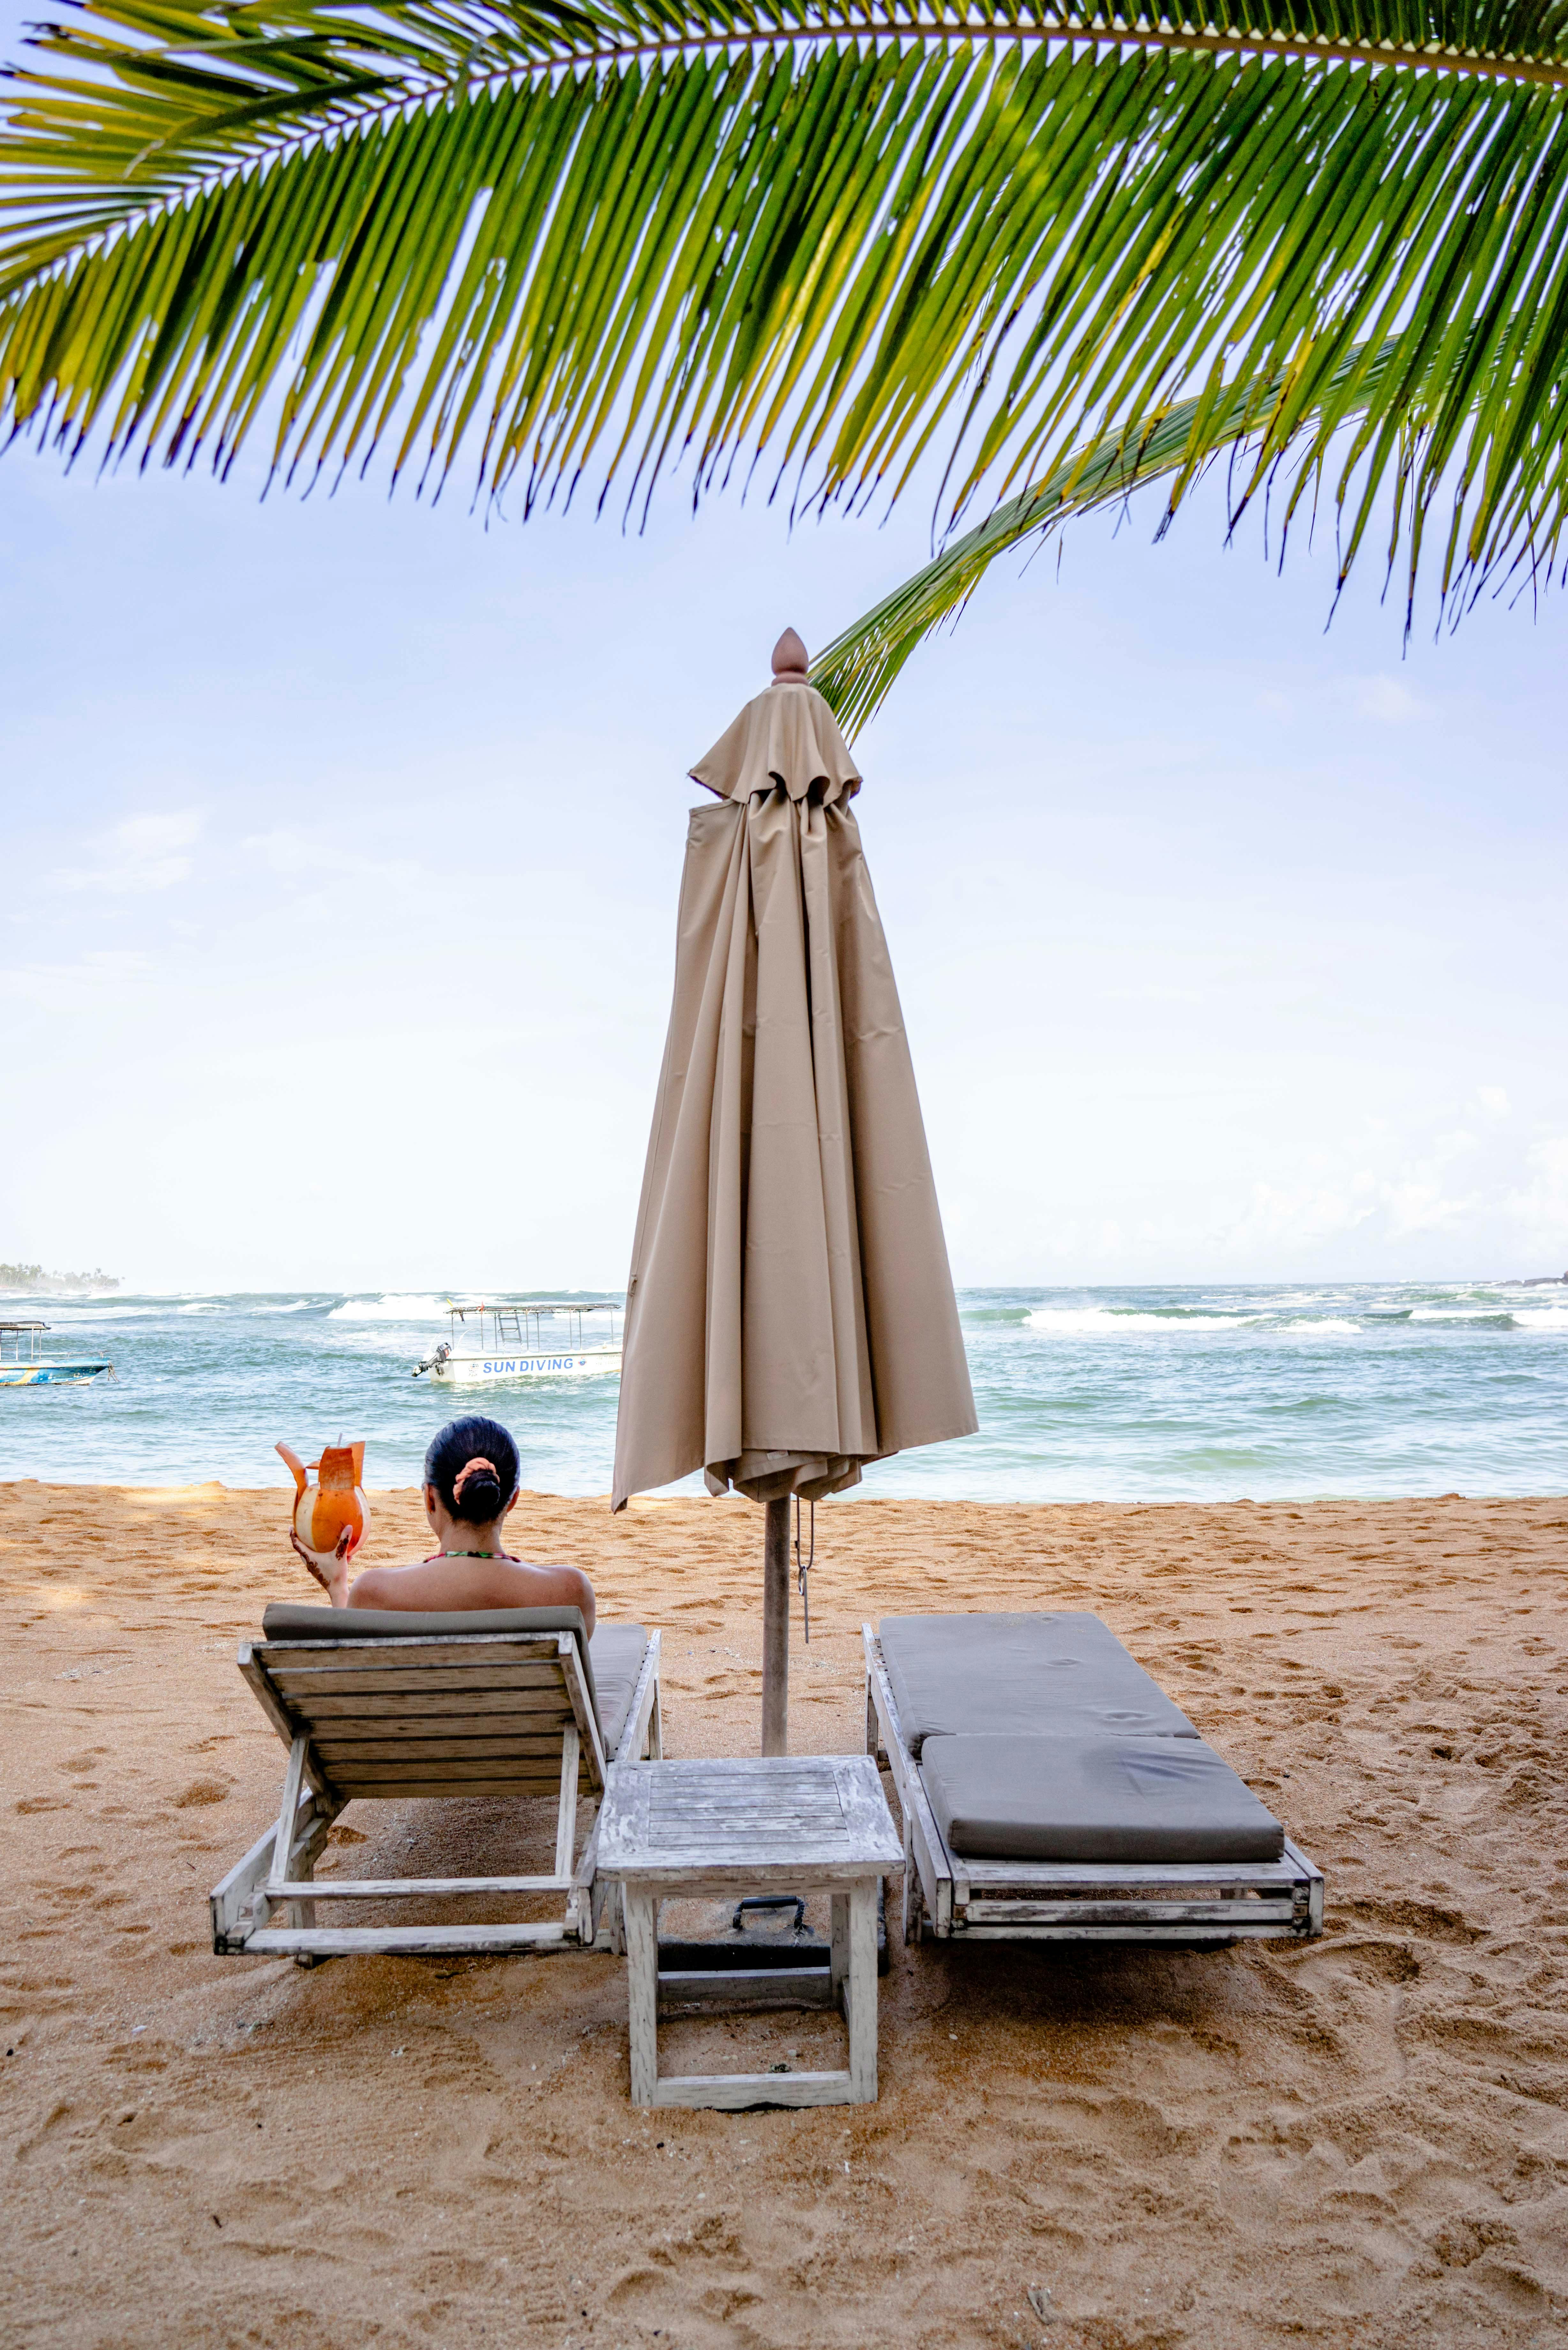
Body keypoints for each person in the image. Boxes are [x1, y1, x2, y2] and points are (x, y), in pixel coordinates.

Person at [292, 1413, 595, 1632]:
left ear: (430, 1499)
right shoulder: (570, 1593)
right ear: (512, 1499)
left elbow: (353, 1659)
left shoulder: (374, 1593)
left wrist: (337, 1586)